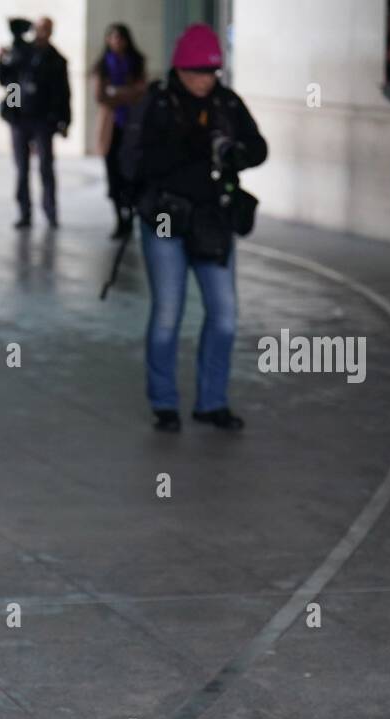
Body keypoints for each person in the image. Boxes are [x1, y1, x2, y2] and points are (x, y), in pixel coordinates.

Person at [121, 23, 266, 432]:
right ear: (181, 70)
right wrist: (192, 148)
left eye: (212, 72)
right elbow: (135, 164)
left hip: (212, 221)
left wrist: (232, 152)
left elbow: (259, 148)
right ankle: (165, 403)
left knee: (224, 316)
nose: (206, 80)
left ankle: (212, 402)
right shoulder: (159, 103)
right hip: (165, 218)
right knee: (168, 313)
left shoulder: (226, 104)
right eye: (199, 72)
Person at [0, 15, 71, 227]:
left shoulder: (57, 59)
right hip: (20, 118)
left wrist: (64, 121)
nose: (42, 32)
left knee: (46, 166)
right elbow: (8, 80)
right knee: (22, 168)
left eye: (46, 29)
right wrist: (12, 109)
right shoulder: (22, 51)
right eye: (39, 28)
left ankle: (50, 212)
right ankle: (24, 213)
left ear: (51, 31)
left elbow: (64, 93)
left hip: (43, 120)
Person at [91, 23, 147, 238]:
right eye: (112, 37)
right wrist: (127, 93)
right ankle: (120, 218)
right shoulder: (103, 66)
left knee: (131, 172)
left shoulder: (136, 63)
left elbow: (141, 92)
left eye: (120, 38)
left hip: (132, 125)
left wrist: (117, 92)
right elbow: (101, 96)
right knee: (113, 172)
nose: (116, 42)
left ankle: (131, 213)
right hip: (110, 126)